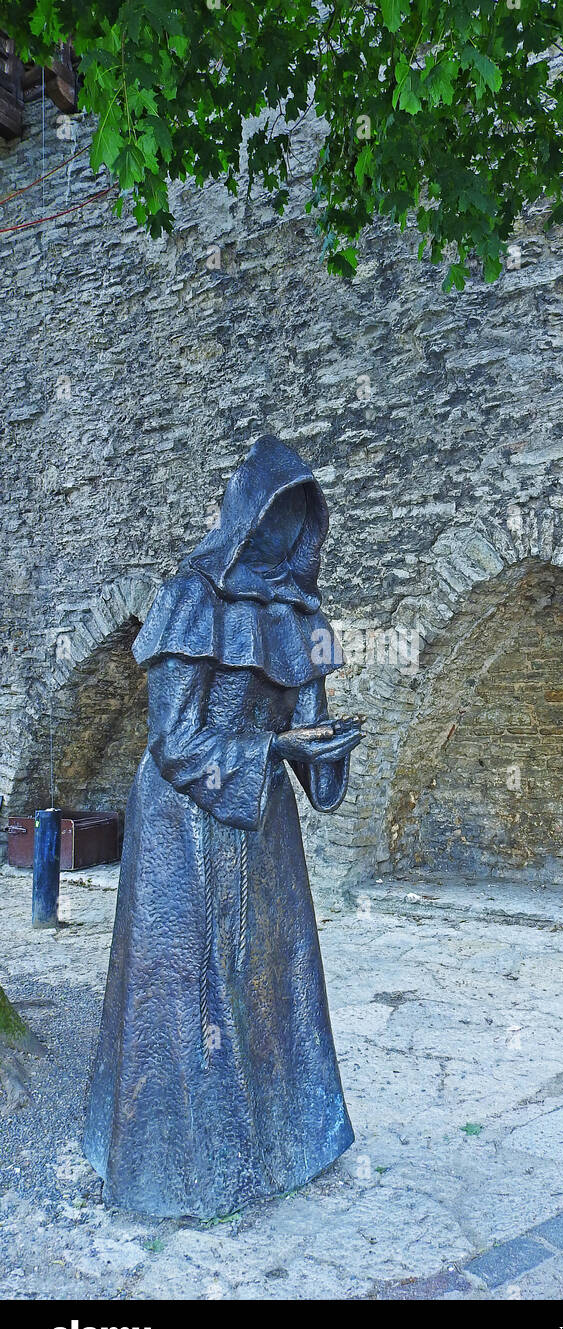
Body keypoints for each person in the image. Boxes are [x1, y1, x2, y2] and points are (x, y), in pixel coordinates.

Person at [83, 436, 363, 1218]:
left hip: (261, 824)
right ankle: (177, 1164)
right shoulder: (191, 597)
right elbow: (172, 742)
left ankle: (283, 1146)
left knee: (274, 979)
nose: (283, 538)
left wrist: (326, 754)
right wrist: (271, 749)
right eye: (274, 517)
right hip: (184, 821)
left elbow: (313, 760)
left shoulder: (303, 614)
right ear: (249, 513)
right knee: (185, 986)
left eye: (298, 522)